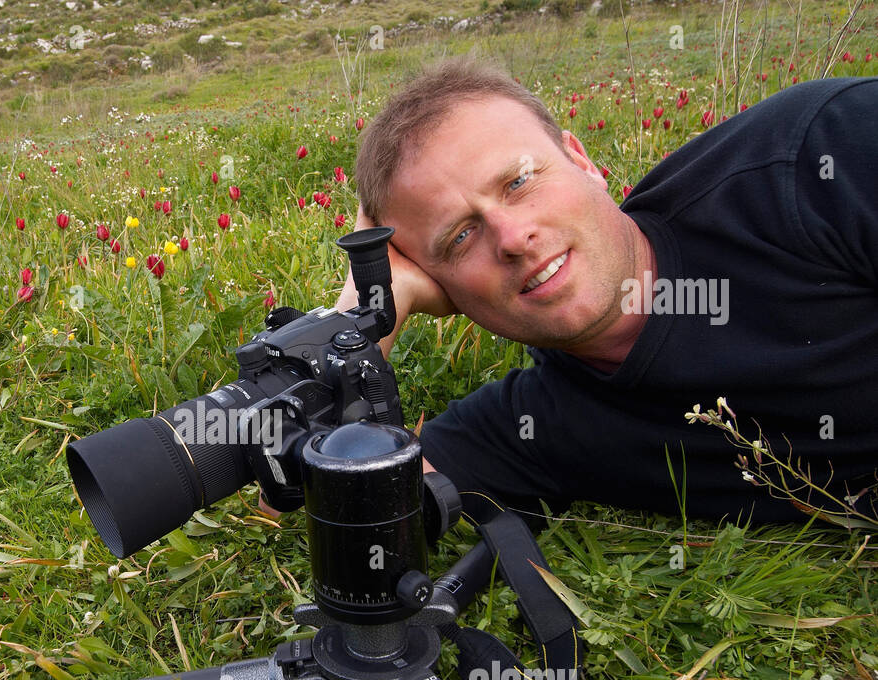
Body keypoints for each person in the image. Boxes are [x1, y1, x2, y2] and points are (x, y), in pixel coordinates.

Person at [331, 57, 878, 529]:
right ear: (442, 293)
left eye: (519, 182)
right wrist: (372, 302)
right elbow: (325, 494)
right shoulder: (540, 425)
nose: (514, 238)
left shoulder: (818, 157)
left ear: (583, 163)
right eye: (460, 237)